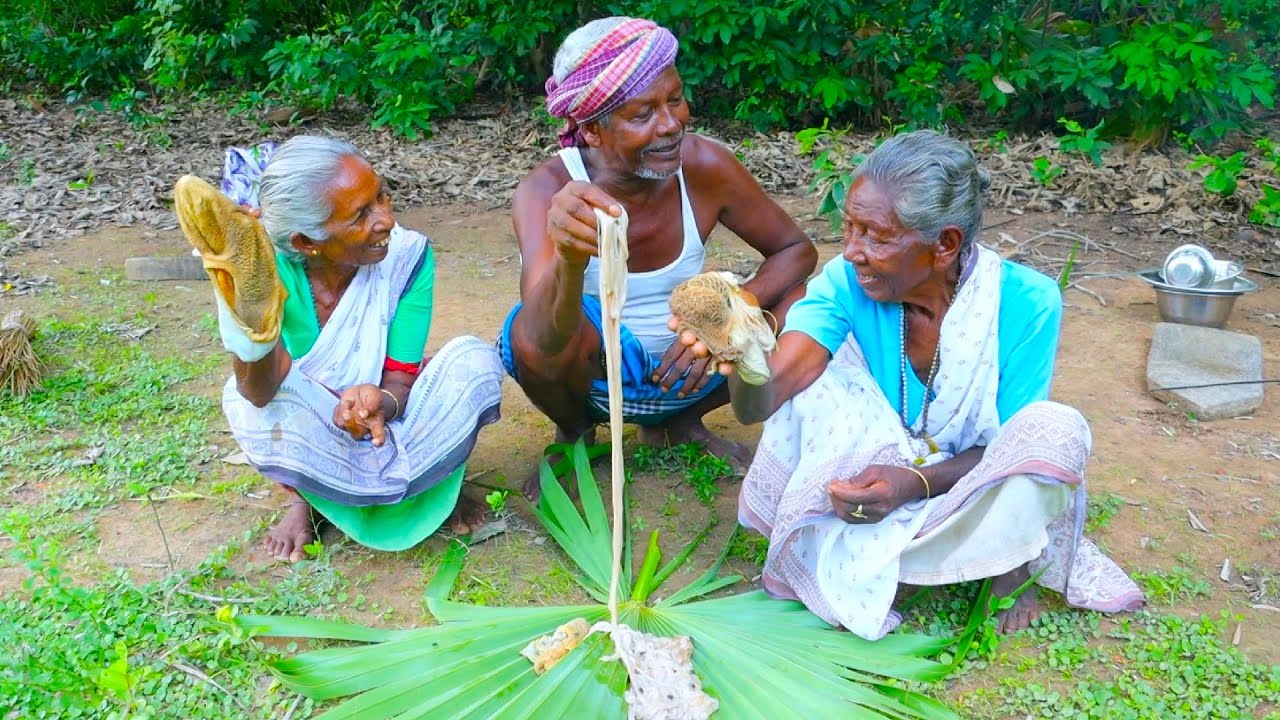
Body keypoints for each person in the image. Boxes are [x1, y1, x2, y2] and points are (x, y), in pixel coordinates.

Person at [676, 130, 1143, 636]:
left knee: (1054, 430)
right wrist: (744, 356)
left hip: (970, 480)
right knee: (825, 391)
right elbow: (767, 399)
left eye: (876, 236)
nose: (852, 251)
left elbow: (1006, 449)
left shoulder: (1028, 303)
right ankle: (908, 558)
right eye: (850, 228)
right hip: (878, 470)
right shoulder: (844, 282)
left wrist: (913, 484)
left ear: (944, 245)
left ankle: (1006, 566)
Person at [497, 17, 817, 497]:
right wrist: (568, 256)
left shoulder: (706, 166)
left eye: (674, 99)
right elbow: (541, 339)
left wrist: (728, 313)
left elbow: (796, 251)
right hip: (595, 379)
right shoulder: (548, 191)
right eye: (642, 114)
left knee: (800, 304)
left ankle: (681, 423)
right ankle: (575, 435)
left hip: (696, 368)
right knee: (522, 327)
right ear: (592, 131)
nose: (671, 125)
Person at [214, 136, 504, 562]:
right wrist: (245, 307)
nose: (386, 219)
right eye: (361, 215)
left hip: (392, 421)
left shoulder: (407, 256)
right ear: (304, 243)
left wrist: (380, 403)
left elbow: (402, 374)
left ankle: (435, 487)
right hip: (315, 426)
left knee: (474, 361)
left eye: (382, 196)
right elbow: (261, 392)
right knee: (246, 405)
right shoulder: (265, 272)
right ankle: (307, 501)